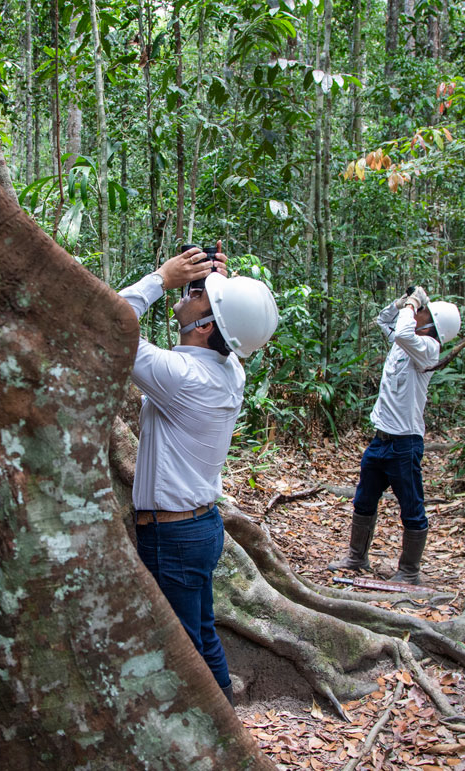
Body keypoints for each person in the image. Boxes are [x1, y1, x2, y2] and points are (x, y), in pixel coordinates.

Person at [118, 243, 279, 705]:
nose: (189, 294)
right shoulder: (228, 372)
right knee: (201, 636)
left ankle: (220, 734)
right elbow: (224, 333)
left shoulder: (182, 376)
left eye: (200, 297)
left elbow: (112, 321)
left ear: (206, 325)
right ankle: (225, 720)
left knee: (183, 650)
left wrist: (161, 278)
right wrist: (217, 289)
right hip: (197, 528)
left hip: (174, 536)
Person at [328, 286, 460, 585]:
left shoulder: (427, 348)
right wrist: (402, 302)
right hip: (381, 439)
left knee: (411, 507)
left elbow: (401, 332)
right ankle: (356, 556)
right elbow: (384, 321)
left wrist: (413, 304)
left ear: (432, 324)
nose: (415, 313)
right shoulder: (405, 343)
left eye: (421, 311)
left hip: (405, 443)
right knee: (364, 499)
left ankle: (409, 572)